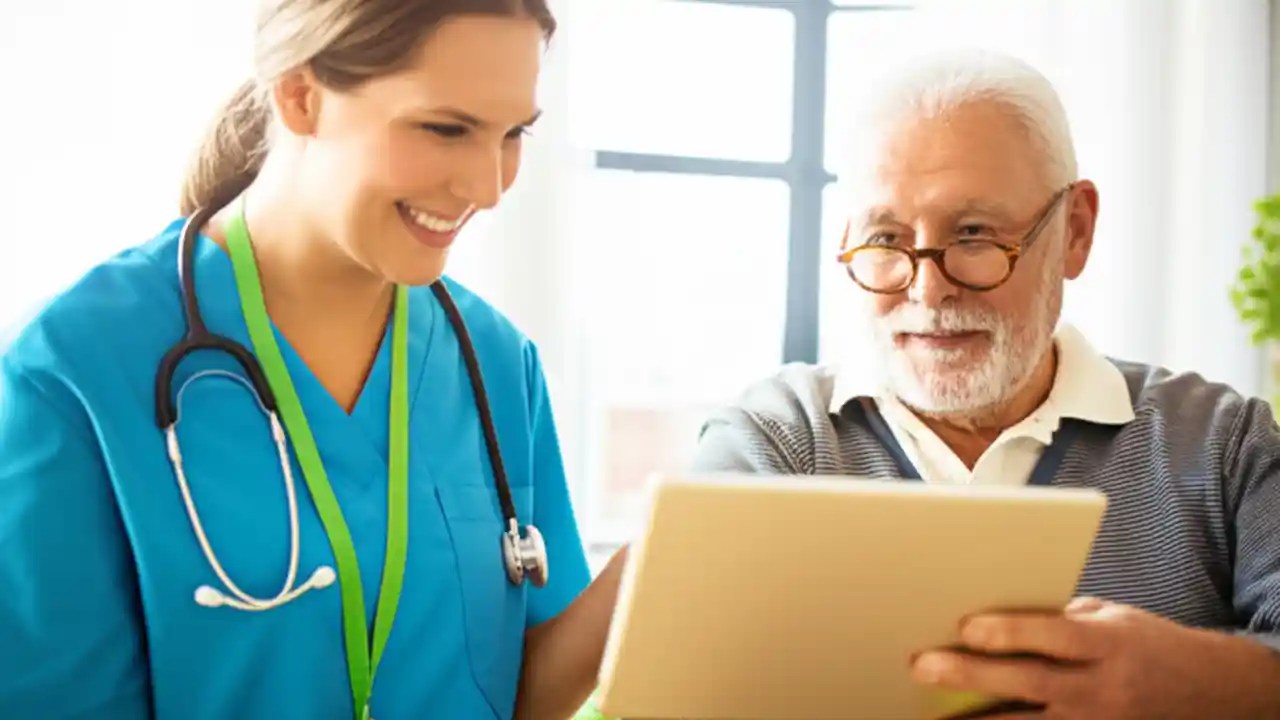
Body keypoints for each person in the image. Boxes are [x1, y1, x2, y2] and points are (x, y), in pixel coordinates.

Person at [0, 1, 626, 718]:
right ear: (301, 96)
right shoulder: (73, 371)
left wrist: (691, 535)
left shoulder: (495, 363)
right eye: (445, 128)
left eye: (513, 134)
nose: (487, 187)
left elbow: (518, 692)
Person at [690, 49, 1280, 718]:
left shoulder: (1222, 446)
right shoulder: (776, 445)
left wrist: (1205, 683)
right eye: (886, 238)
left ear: (1075, 232)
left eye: (973, 235)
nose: (928, 289)